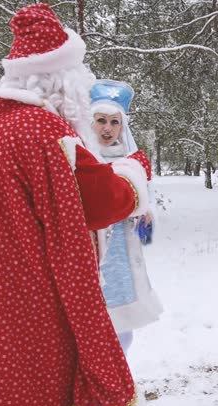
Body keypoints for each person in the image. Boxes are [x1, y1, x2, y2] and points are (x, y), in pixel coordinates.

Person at [0, 4, 148, 406]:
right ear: (65, 82)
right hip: (42, 317)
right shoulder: (47, 134)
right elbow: (107, 202)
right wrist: (132, 170)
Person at [90, 79, 163, 354]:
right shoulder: (81, 157)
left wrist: (145, 214)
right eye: (101, 120)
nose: (107, 128)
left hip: (122, 253)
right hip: (92, 252)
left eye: (114, 122)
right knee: (96, 327)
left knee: (122, 330)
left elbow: (144, 203)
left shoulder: (131, 160)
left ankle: (118, 385)